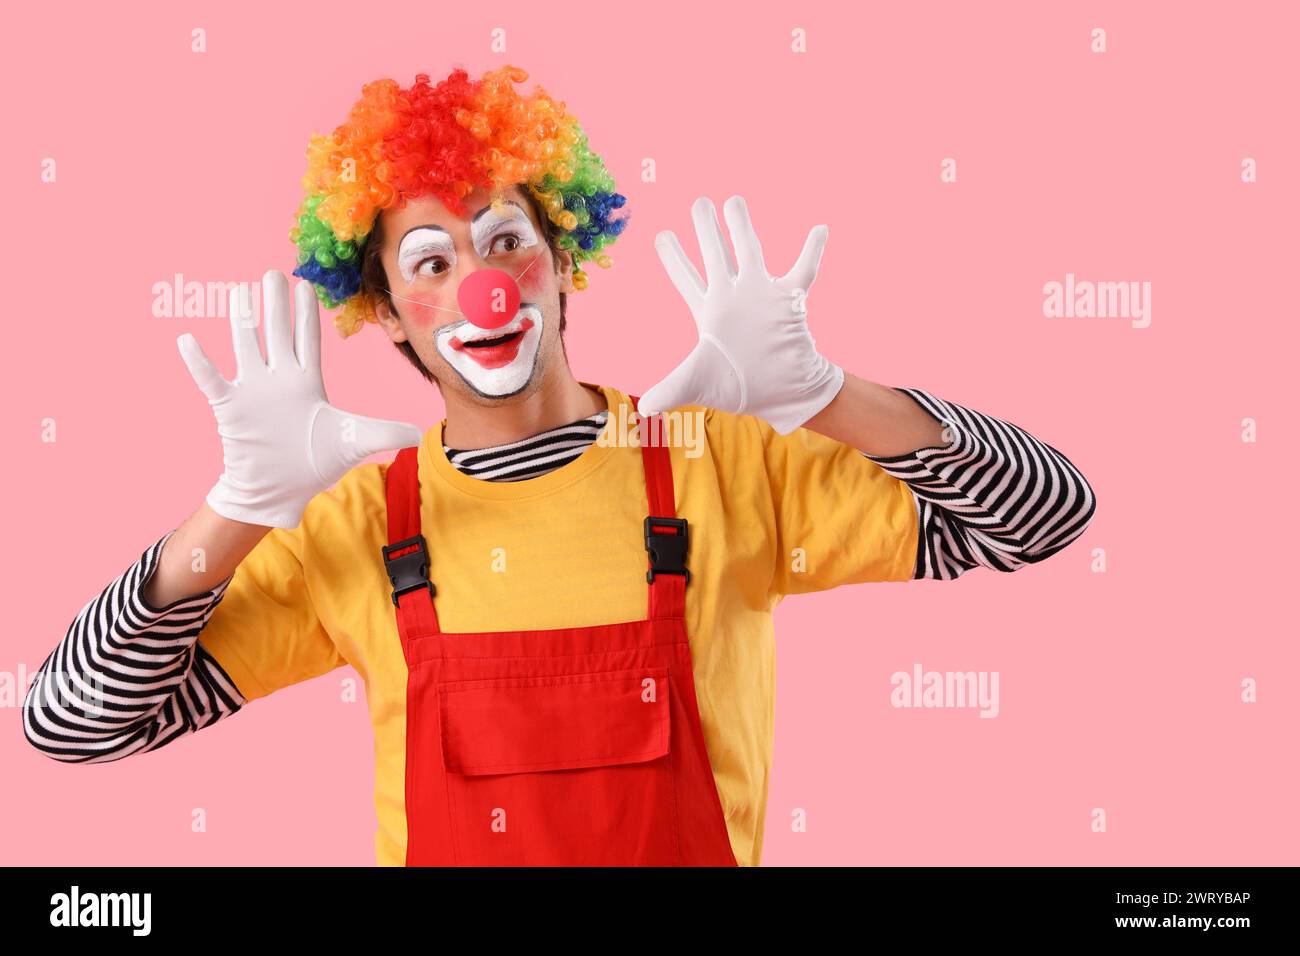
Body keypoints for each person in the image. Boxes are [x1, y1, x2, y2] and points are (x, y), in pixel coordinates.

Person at [23, 64, 1096, 867]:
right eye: (431, 263)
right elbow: (72, 723)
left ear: (565, 260)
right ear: (389, 315)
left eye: (506, 241)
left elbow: (1042, 514)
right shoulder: (356, 523)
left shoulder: (716, 462)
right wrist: (236, 509)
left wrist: (827, 394)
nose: (483, 286)